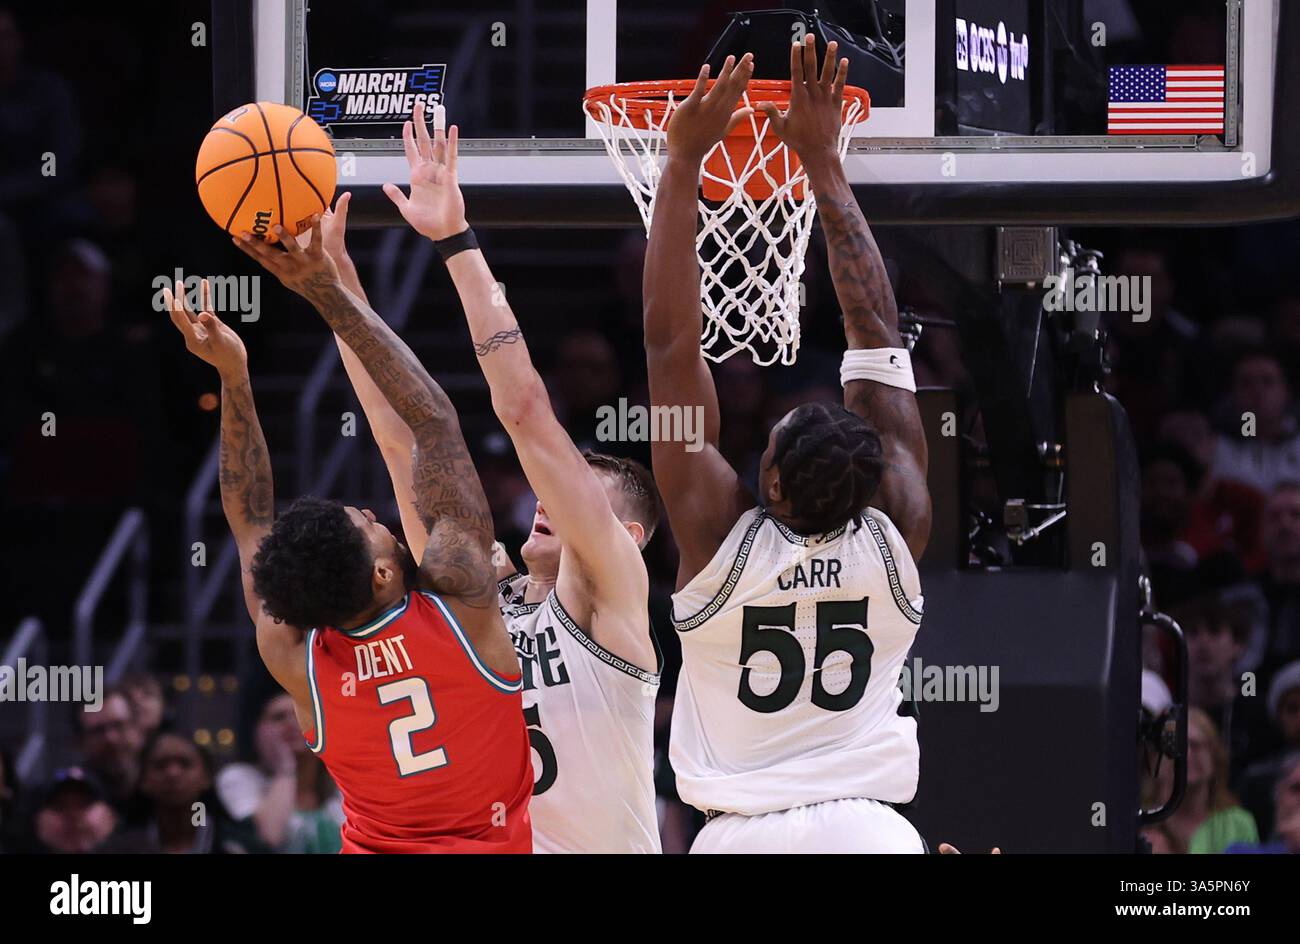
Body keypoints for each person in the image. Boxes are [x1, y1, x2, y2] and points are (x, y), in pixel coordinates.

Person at [315, 104, 663, 853]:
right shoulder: (476, 602)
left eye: (582, 482)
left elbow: (528, 412)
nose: (548, 492)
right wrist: (337, 293)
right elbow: (399, 442)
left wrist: (455, 243)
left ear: (627, 538)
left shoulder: (607, 600)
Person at [641, 38, 930, 853]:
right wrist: (824, 164)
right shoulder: (898, 522)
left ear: (767, 483)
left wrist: (682, 162)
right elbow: (876, 322)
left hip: (747, 835)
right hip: (874, 832)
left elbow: (671, 347)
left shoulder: (715, 535)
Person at [168, 223, 533, 853]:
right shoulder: (460, 605)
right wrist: (326, 295)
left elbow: (248, 517)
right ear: (384, 574)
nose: (373, 513)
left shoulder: (298, 655)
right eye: (370, 525)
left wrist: (233, 375)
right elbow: (433, 421)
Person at [215, 690, 344, 854]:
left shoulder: (344, 782)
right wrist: (285, 769)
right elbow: (270, 835)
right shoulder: (240, 777)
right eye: (279, 717)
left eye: (301, 714)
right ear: (258, 731)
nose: (291, 722)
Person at [104, 730, 260, 854]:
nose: (173, 773)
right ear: (144, 781)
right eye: (160, 765)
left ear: (206, 778)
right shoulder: (118, 847)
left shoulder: (237, 844)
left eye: (185, 764)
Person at [1141, 708, 1258, 854]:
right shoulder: (1141, 820)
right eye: (1177, 745)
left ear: (1214, 758)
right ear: (1157, 759)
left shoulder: (1238, 823)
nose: (1186, 754)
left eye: (1196, 746)